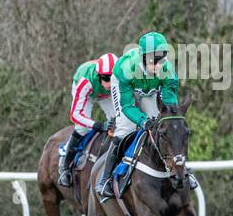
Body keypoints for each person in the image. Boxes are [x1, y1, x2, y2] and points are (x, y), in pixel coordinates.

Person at [97, 32, 180, 199]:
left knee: (162, 126)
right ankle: (104, 180)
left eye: (161, 59)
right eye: (153, 61)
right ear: (143, 58)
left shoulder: (167, 71)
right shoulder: (126, 70)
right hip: (124, 86)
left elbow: (170, 104)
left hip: (148, 90)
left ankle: (178, 169)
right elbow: (127, 106)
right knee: (124, 128)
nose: (158, 65)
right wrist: (142, 121)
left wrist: (166, 119)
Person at [58, 52, 118, 188]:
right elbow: (75, 115)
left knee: (119, 123)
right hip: (88, 93)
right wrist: (98, 125)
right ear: (98, 75)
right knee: (82, 128)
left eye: (113, 78)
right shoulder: (85, 81)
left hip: (105, 96)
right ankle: (65, 166)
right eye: (105, 78)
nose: (109, 83)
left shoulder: (120, 79)